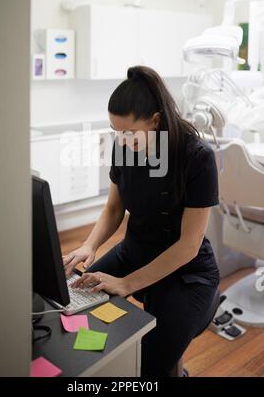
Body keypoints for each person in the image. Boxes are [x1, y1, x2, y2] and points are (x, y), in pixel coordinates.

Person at [63, 65, 220, 377]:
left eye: (129, 133)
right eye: (115, 131)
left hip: (186, 272)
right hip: (135, 250)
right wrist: (89, 246)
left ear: (156, 121)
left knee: (148, 365)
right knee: (72, 304)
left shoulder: (197, 157)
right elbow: (113, 209)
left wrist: (126, 283)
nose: (121, 140)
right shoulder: (124, 148)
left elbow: (188, 246)